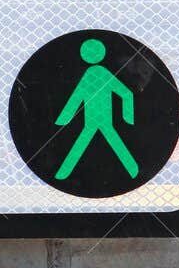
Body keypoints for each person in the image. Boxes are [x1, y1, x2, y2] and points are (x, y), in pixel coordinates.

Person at [54, 39, 139, 183]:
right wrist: (127, 116)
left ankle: (62, 173)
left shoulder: (96, 74)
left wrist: (65, 117)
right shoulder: (98, 73)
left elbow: (77, 96)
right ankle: (133, 171)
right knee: (105, 140)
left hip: (100, 118)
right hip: (94, 119)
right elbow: (125, 94)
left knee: (88, 141)